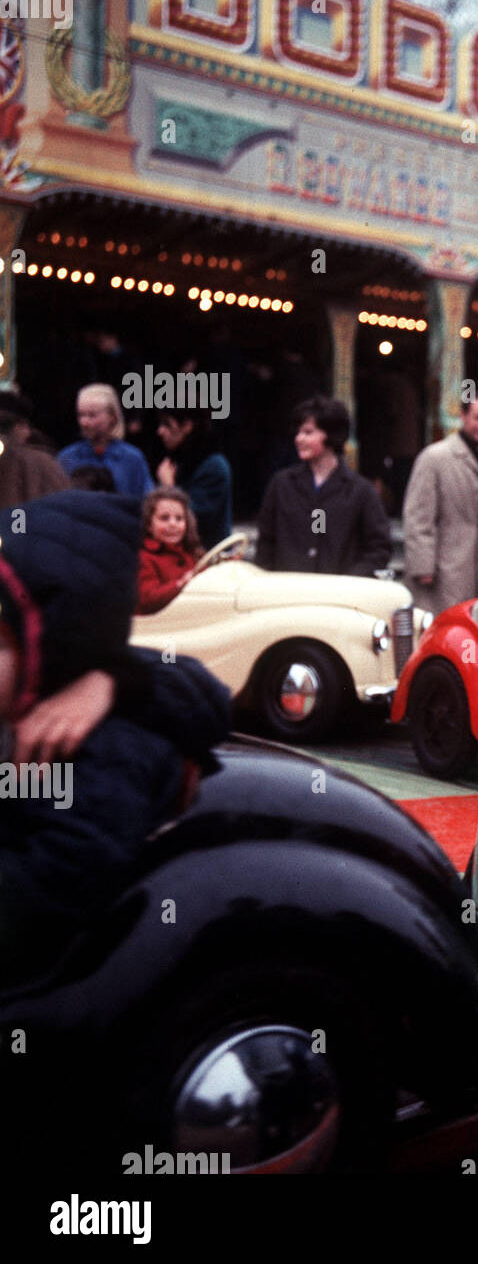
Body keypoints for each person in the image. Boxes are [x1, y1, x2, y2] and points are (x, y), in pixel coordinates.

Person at [0, 491, 230, 970]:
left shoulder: (93, 755)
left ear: (45, 645)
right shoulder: (40, 706)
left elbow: (53, 884)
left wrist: (107, 679)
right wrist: (109, 678)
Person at [255, 395, 390, 577]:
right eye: (298, 432)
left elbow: (378, 549)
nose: (299, 439)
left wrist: (350, 581)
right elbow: (266, 543)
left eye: (308, 432)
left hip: (339, 597)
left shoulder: (360, 491)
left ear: (330, 435)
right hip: (287, 593)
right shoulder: (281, 484)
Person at [403, 393, 478, 615]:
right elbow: (418, 515)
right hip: (441, 567)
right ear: (463, 416)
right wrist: (422, 566)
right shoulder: (434, 457)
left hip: (476, 566)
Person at [56, 383, 153, 498]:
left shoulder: (132, 459)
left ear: (112, 417)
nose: (84, 422)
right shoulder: (67, 457)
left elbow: (147, 502)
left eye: (92, 415)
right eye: (81, 415)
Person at [154, 412, 233, 549]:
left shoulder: (213, 466)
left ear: (186, 426)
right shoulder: (176, 461)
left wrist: (170, 489)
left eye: (167, 424)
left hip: (207, 557)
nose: (160, 431)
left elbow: (196, 519)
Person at [135, 488, 202, 615]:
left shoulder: (190, 551)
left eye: (179, 518)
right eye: (164, 518)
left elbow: (204, 571)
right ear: (149, 524)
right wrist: (180, 584)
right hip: (159, 626)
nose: (173, 524)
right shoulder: (144, 557)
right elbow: (147, 599)